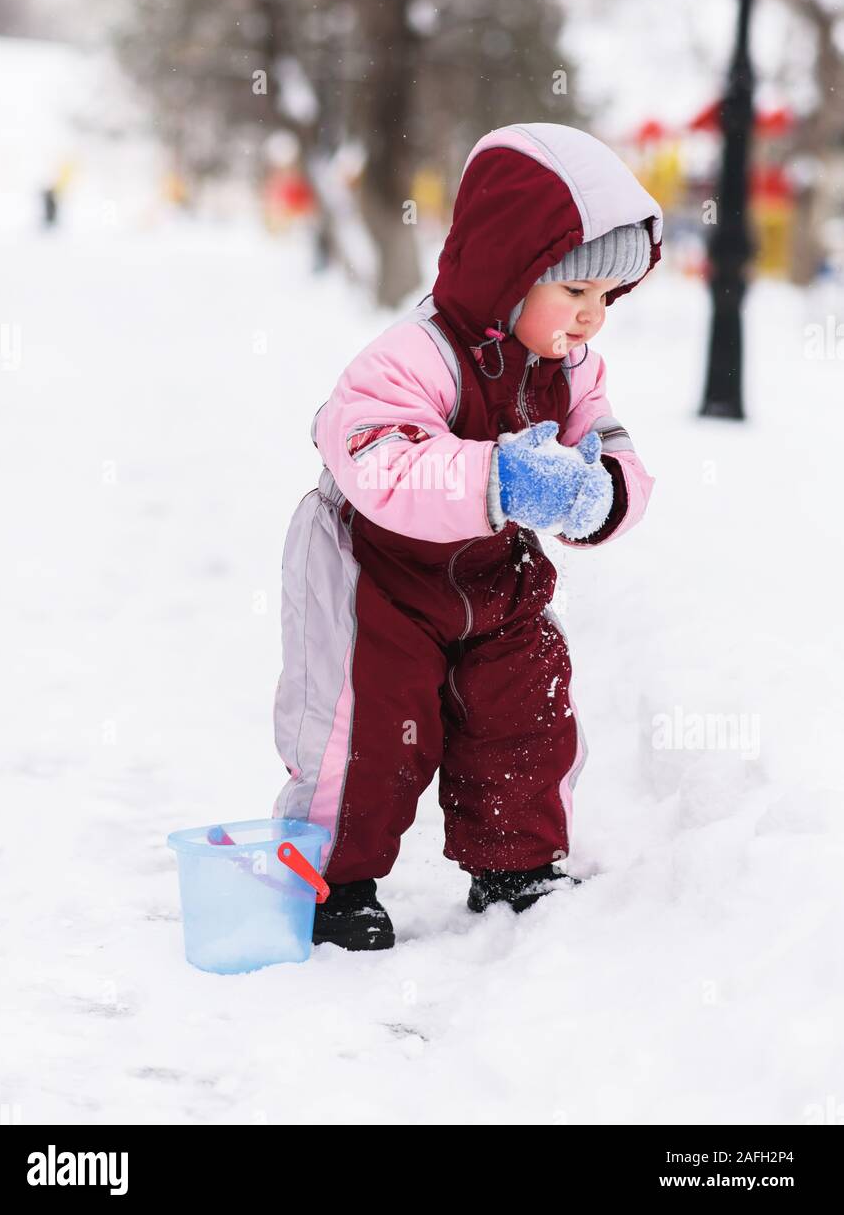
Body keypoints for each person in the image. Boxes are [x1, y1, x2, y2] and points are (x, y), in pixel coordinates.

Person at [271, 122, 663, 950]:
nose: (591, 319)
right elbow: (376, 461)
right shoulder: (412, 357)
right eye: (574, 293)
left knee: (525, 710)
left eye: (606, 300)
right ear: (508, 273)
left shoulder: (572, 371)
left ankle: (514, 865)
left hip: (496, 579)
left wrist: (599, 496)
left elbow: (617, 448)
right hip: (376, 576)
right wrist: (498, 480)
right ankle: (332, 883)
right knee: (367, 732)